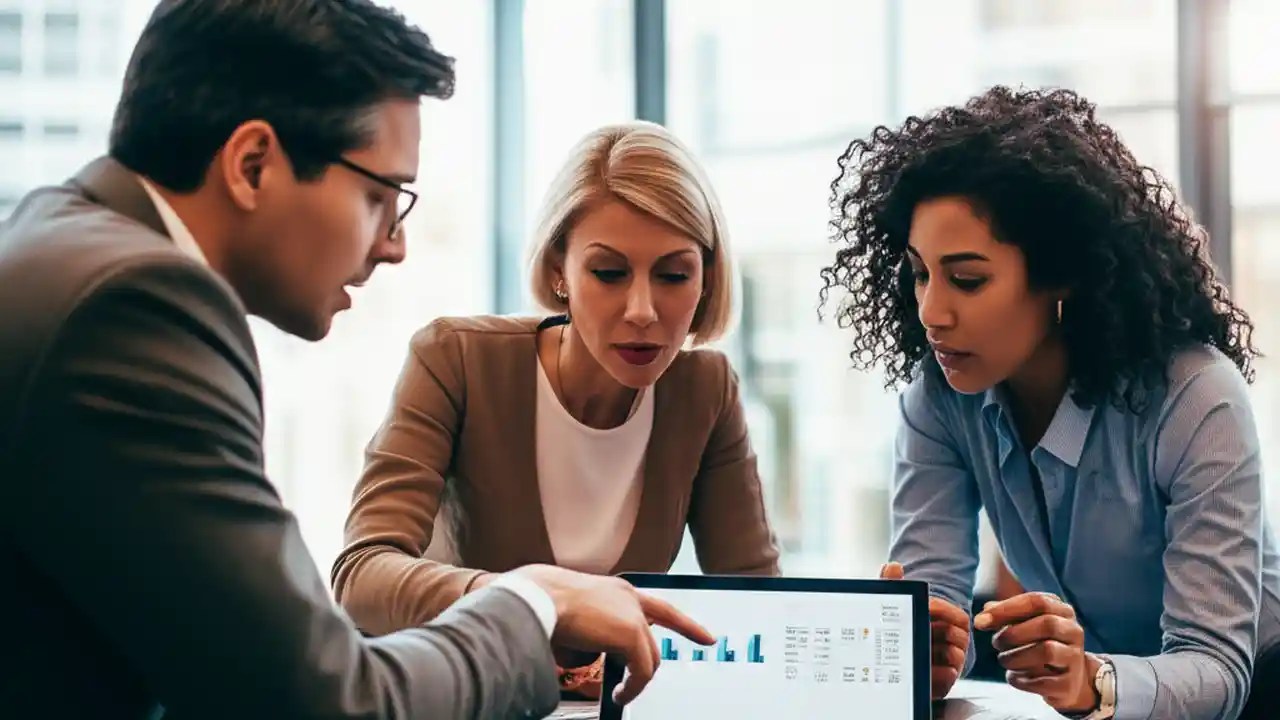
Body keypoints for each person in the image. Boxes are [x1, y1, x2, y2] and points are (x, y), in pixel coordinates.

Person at [0, 2, 714, 718]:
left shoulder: (60, 239)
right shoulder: (136, 307)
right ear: (252, 165)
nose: (394, 244)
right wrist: (533, 603)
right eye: (380, 196)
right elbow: (325, 700)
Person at [820, 86, 1280, 720]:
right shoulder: (939, 399)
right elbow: (934, 601)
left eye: (967, 279)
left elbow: (1219, 669)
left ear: (1061, 274)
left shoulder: (1197, 396)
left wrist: (1092, 680)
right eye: (921, 273)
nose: (930, 311)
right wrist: (924, 649)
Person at [332, 120, 781, 697]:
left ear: (707, 281)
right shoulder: (457, 359)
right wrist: (533, 602)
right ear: (557, 271)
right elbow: (362, 575)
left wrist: (871, 623)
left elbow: (755, 605)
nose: (642, 310)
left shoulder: (705, 390)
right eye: (608, 273)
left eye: (673, 275)